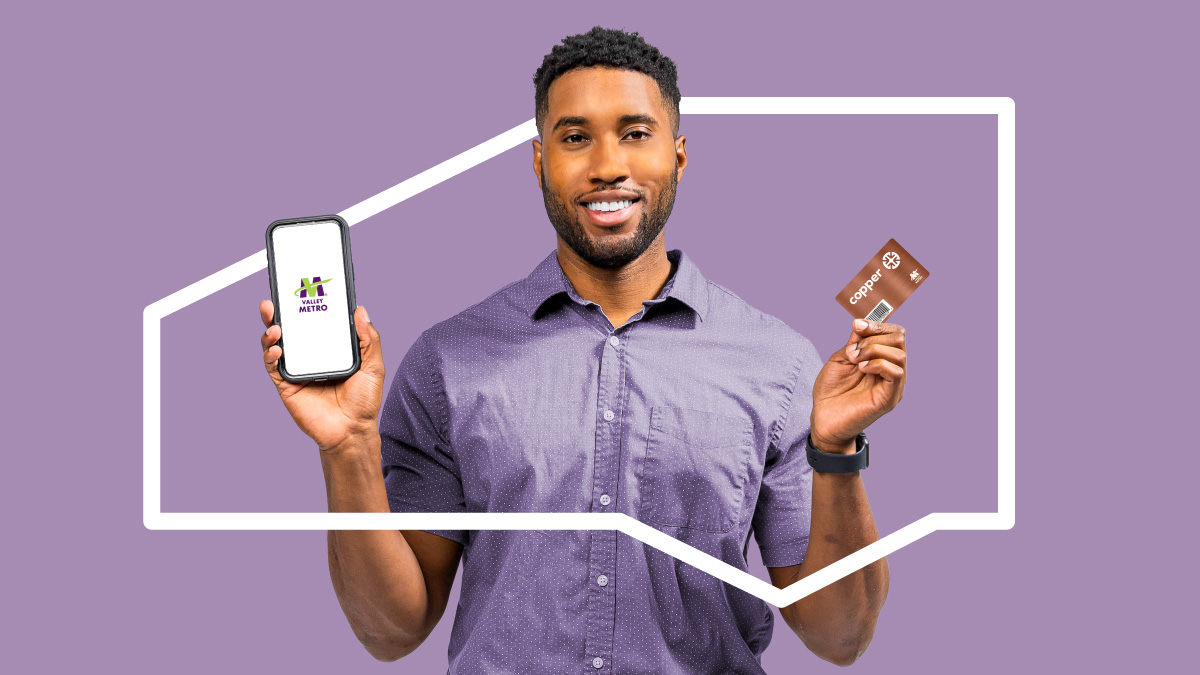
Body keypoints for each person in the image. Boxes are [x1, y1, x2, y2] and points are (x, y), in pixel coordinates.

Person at [258, 26, 904, 673]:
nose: (606, 164)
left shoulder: (779, 364)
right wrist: (346, 448)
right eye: (575, 137)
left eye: (635, 132)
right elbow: (389, 631)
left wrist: (836, 451)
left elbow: (839, 637)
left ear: (678, 155)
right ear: (540, 160)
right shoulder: (448, 362)